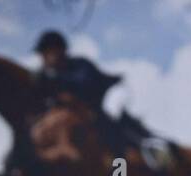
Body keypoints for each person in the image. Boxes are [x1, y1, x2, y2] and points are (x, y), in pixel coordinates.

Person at [33, 31, 166, 166]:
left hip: (111, 92)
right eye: (42, 54)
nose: (43, 58)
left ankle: (149, 143)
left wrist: (54, 80)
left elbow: (85, 86)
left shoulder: (79, 64)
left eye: (46, 52)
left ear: (60, 50)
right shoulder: (47, 75)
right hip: (91, 106)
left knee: (110, 111)